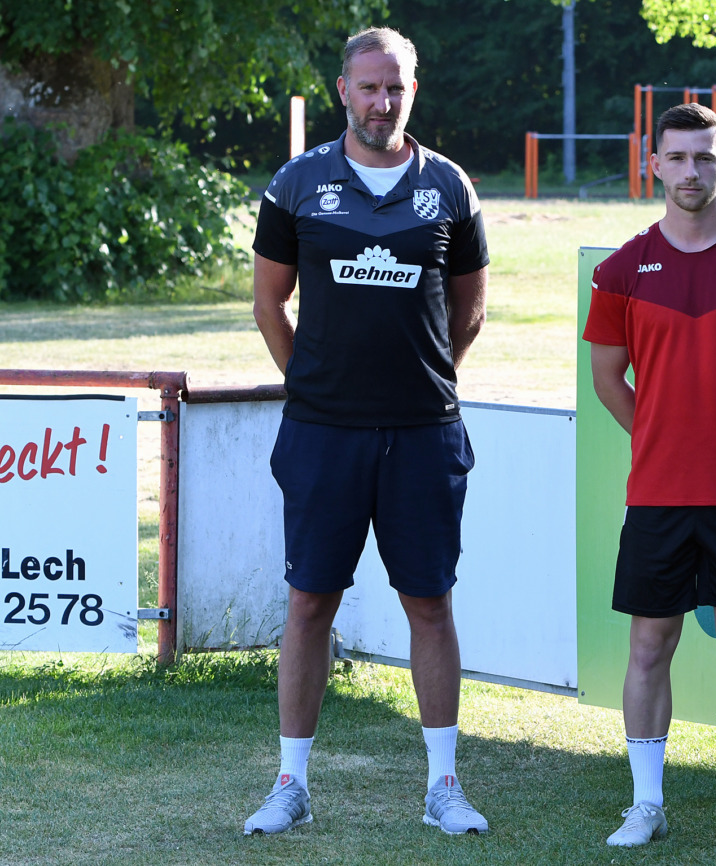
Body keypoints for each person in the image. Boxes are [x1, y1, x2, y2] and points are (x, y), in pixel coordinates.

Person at [244, 27, 489, 837]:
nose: (383, 103)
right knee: (310, 601)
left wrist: (420, 376)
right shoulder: (297, 184)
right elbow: (269, 304)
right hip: (323, 433)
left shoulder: (449, 188)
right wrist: (314, 382)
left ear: (413, 91)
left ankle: (444, 785)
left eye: (397, 88)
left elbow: (470, 310)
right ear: (342, 90)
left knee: (430, 603)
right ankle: (291, 783)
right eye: (369, 88)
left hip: (423, 433)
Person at [582, 103, 716, 850]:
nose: (691, 172)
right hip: (658, 493)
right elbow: (609, 378)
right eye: (677, 158)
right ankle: (646, 804)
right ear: (653, 164)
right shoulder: (620, 270)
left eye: (704, 158)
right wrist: (661, 433)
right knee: (650, 645)